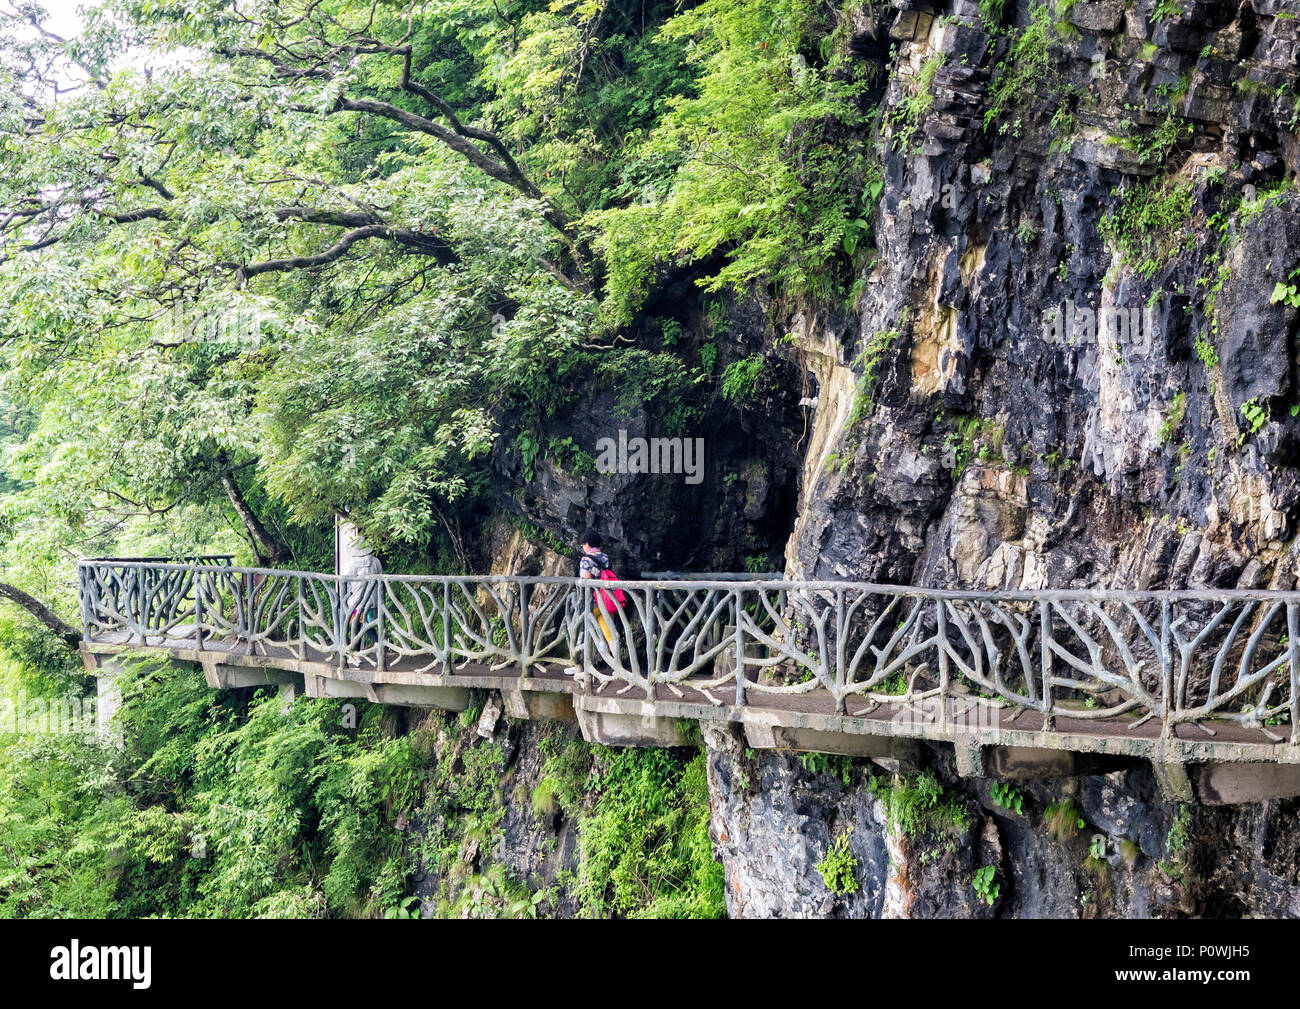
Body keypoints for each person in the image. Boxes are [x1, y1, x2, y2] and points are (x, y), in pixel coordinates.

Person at [340, 521, 383, 667]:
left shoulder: (351, 564)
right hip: (372, 600)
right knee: (360, 624)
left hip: (356, 601)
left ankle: (376, 641)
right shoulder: (375, 561)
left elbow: (343, 580)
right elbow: (380, 575)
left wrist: (343, 599)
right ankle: (355, 654)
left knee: (360, 624)